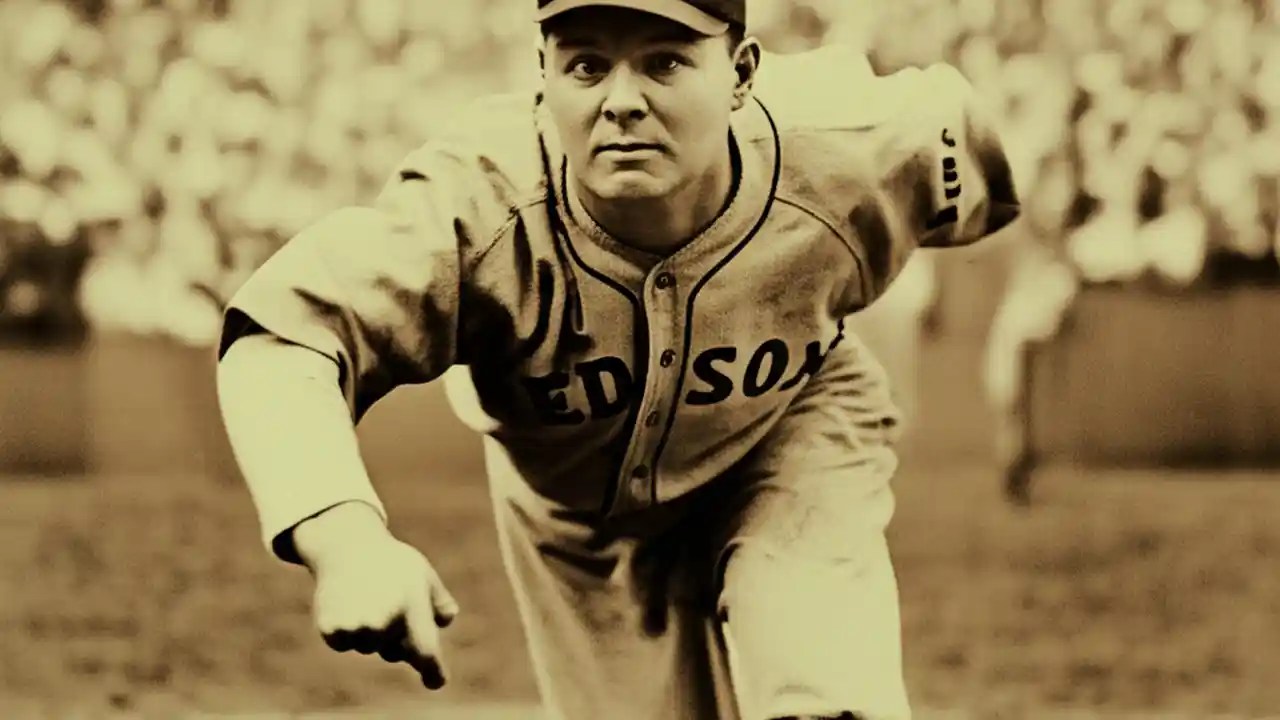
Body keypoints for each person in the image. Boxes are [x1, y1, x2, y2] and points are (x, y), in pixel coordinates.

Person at [215, 1, 1021, 718]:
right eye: (586, 65)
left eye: (665, 60)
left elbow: (982, 166)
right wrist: (345, 539)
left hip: (790, 431)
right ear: (542, 80)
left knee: (823, 685)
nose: (622, 100)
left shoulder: (853, 144)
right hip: (572, 509)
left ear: (742, 73)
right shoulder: (478, 204)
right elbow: (284, 334)